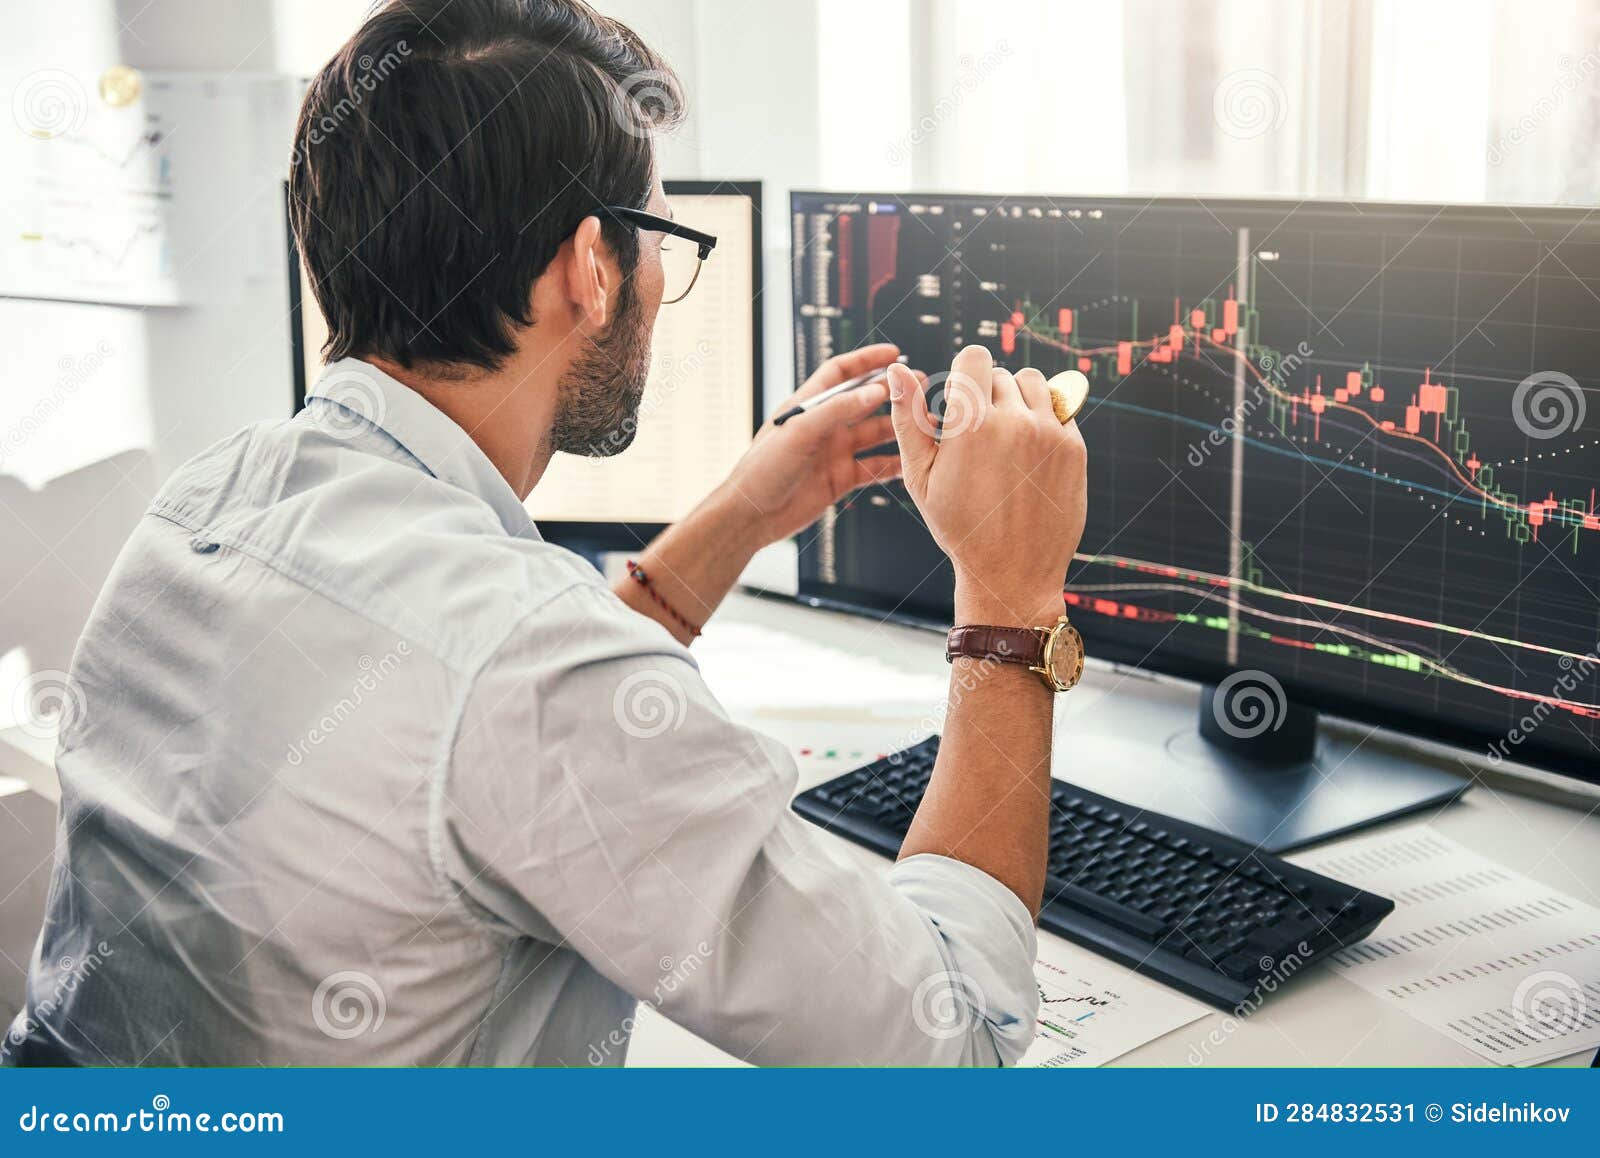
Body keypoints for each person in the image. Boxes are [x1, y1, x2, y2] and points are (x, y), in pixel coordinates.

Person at [5, 0, 1086, 1066]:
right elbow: (959, 1052)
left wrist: (743, 513)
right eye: (659, 235)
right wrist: (1008, 598)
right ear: (593, 268)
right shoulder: (529, 668)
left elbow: (486, 713)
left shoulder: (204, 504)